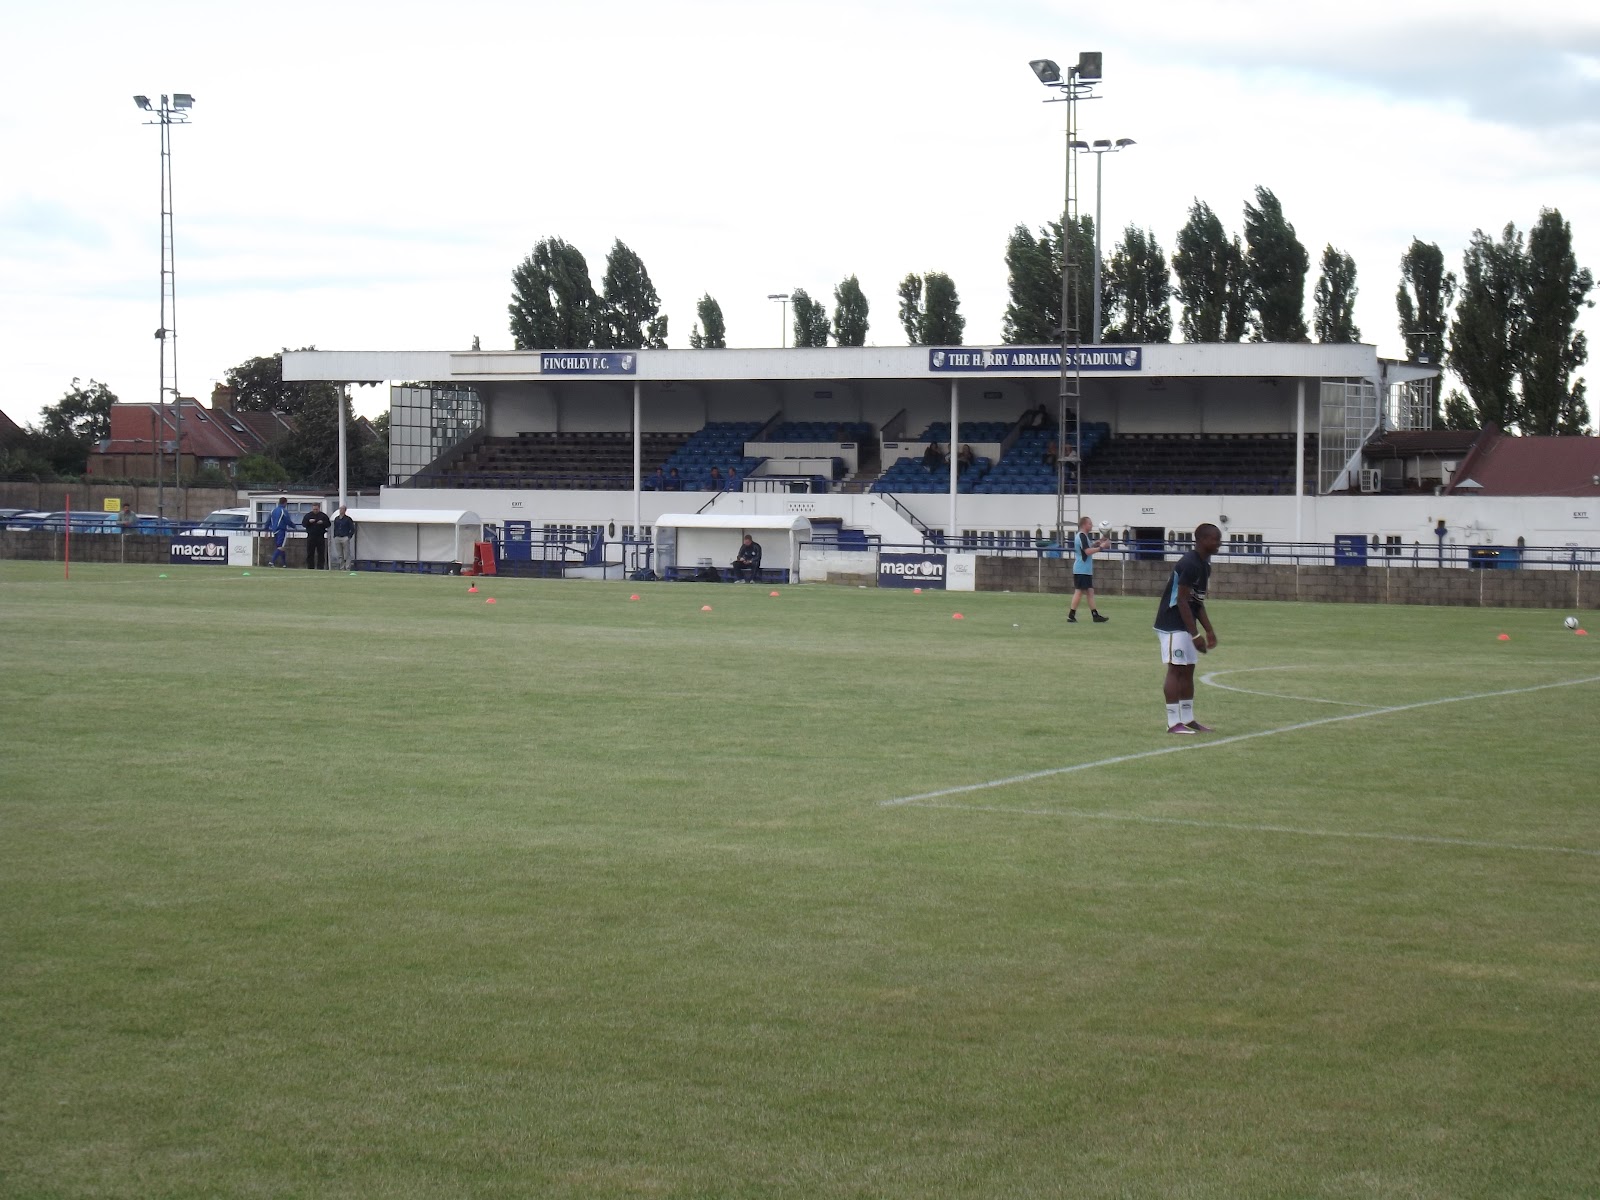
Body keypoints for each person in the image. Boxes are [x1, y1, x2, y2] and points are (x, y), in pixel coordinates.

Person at [1153, 521, 1222, 735]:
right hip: (1173, 622)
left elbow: (1196, 602)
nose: (1219, 543)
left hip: (1186, 623)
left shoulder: (1205, 565)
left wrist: (1209, 630)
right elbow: (1182, 601)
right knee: (1176, 669)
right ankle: (1173, 723)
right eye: (1215, 539)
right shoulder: (1189, 563)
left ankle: (1189, 719)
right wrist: (1195, 634)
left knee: (1188, 670)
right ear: (1201, 540)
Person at [1068, 516, 1111, 624]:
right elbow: (1087, 552)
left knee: (1089, 592)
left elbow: (1086, 548)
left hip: (1084, 569)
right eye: (1090, 524)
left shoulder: (1083, 536)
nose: (1091, 525)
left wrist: (1096, 543)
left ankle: (1095, 615)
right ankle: (1071, 616)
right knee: (1079, 592)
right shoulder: (1082, 536)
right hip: (1081, 569)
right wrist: (1101, 547)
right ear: (1084, 525)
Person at [265, 496, 295, 567]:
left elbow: (268, 521)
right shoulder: (283, 511)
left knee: (281, 547)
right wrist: (294, 526)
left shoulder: (273, 511)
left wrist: (266, 530)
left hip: (274, 530)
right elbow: (287, 521)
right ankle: (272, 562)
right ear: (285, 503)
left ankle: (284, 564)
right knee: (280, 547)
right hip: (281, 530)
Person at [301, 501, 331, 570]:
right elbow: (304, 524)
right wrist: (309, 522)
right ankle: (310, 567)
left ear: (319, 508)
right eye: (314, 509)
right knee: (310, 553)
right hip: (311, 536)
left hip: (320, 537)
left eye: (316, 509)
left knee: (321, 553)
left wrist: (322, 523)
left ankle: (320, 567)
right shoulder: (308, 516)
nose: (315, 511)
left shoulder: (323, 516)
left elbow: (328, 524)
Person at [331, 504, 356, 571]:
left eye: (342, 509)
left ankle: (347, 567)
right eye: (340, 509)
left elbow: (352, 529)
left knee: (347, 554)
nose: (341, 511)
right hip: (337, 537)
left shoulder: (348, 519)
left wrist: (349, 536)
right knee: (340, 554)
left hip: (345, 537)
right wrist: (335, 535)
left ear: (345, 510)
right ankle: (342, 567)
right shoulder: (336, 519)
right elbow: (335, 528)